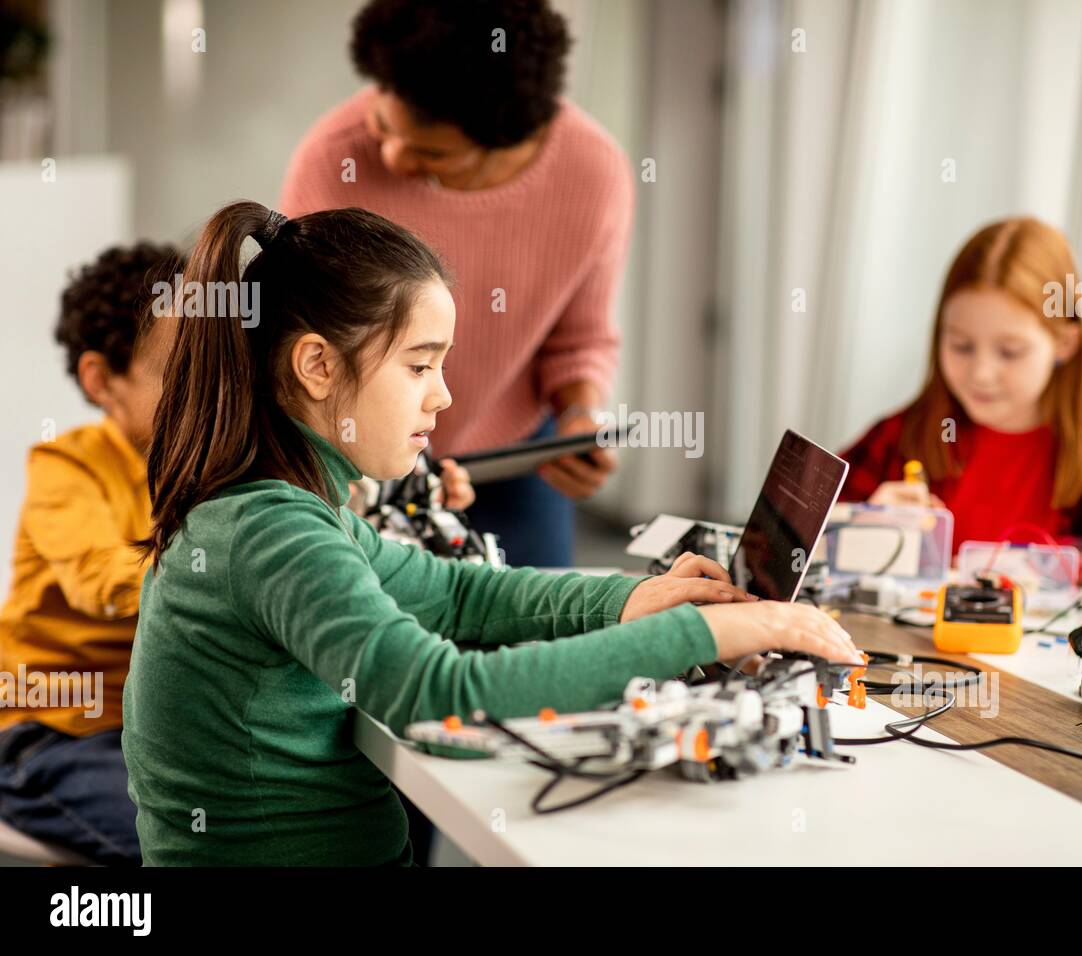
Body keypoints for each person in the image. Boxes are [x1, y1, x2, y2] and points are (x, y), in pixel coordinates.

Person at [121, 201, 860, 866]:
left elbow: (453, 592)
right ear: (317, 365)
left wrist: (629, 603)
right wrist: (715, 635)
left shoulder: (287, 506)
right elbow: (438, 692)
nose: (443, 396)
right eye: (420, 365)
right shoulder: (271, 531)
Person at [281, 0, 628, 566]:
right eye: (383, 124)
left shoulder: (593, 173)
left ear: (502, 141)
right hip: (362, 454)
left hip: (514, 459)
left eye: (430, 153)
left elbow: (578, 340)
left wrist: (579, 420)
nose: (390, 155)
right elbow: (296, 334)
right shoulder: (333, 156)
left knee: (541, 632)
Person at [838, 216, 1082, 573]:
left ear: (1065, 344)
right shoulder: (903, 437)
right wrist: (856, 527)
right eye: (960, 345)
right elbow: (789, 541)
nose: (981, 373)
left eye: (1010, 352)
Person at [0, 242, 181, 864]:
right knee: (180, 845)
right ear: (101, 379)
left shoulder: (215, 469)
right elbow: (103, 584)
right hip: (54, 731)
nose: (208, 395)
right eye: (176, 375)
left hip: (160, 729)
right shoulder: (66, 466)